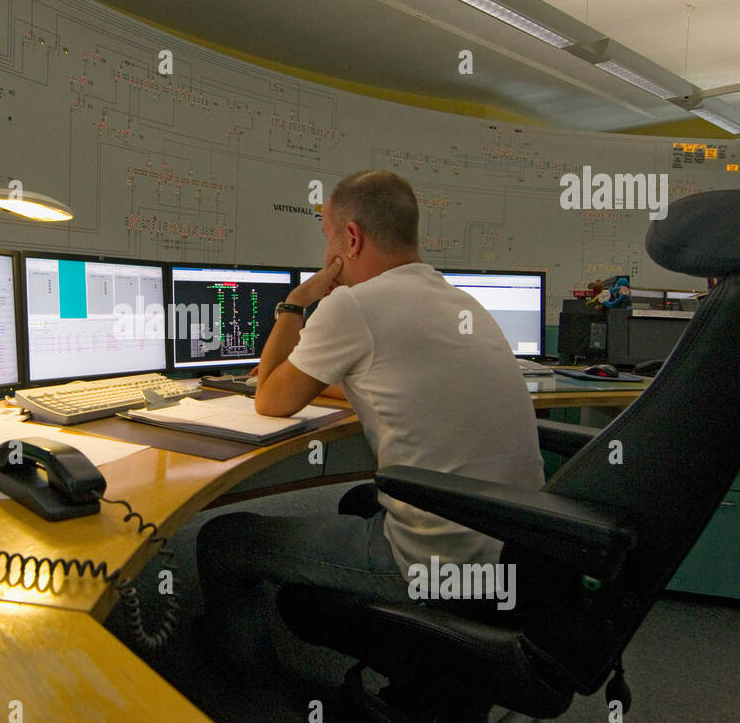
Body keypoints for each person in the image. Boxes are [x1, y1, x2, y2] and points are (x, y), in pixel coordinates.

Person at [195, 170, 545, 682]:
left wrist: (298, 300)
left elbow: (269, 398)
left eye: (328, 237)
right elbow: (387, 383)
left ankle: (243, 674)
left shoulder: (354, 304)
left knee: (223, 540)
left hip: (435, 562)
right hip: (513, 546)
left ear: (351, 238)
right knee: (357, 501)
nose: (328, 250)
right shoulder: (459, 302)